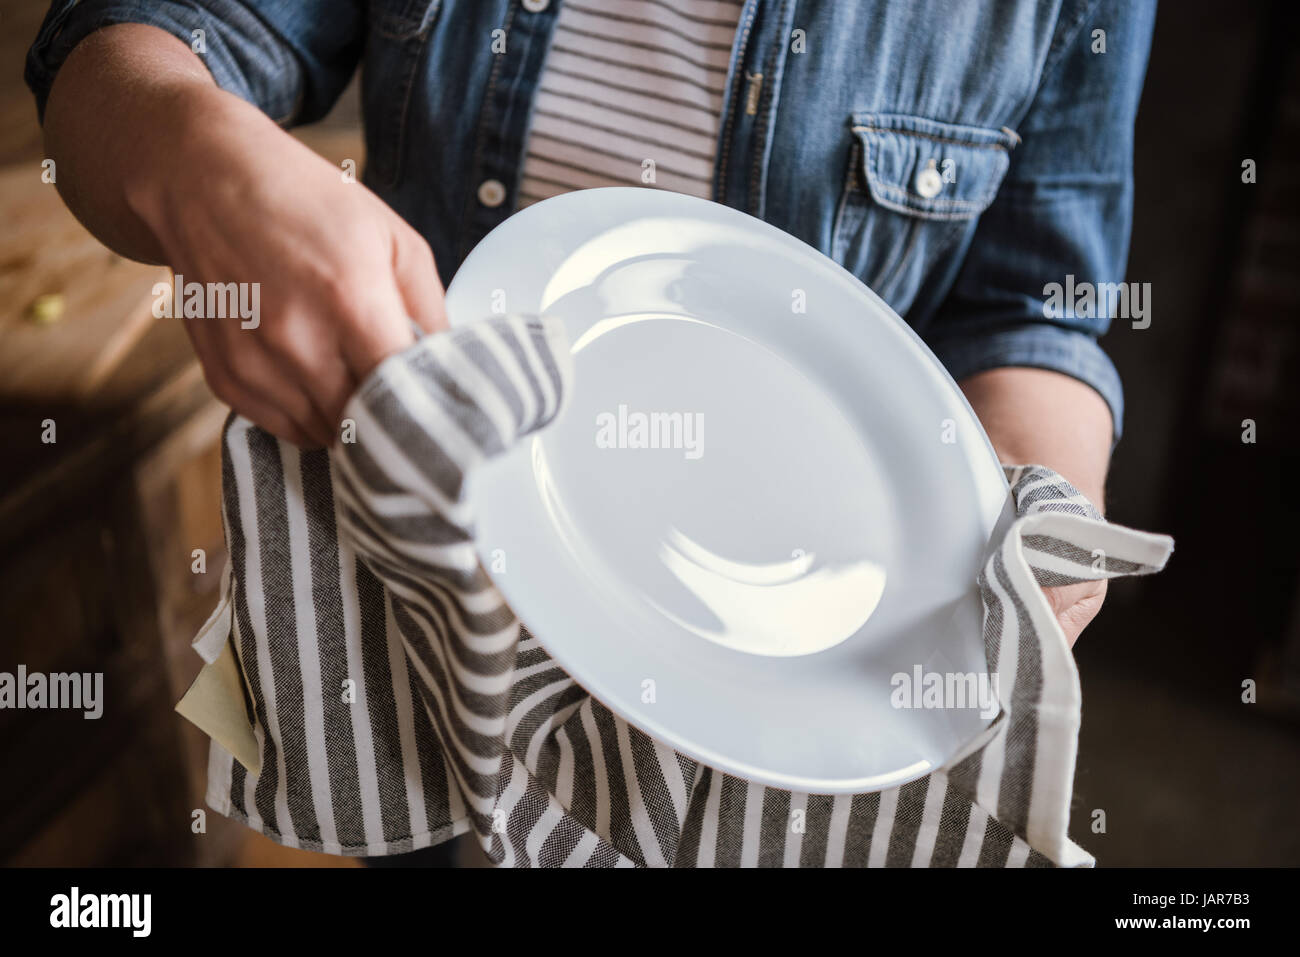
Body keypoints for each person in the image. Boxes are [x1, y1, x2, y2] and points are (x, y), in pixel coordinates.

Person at [27, 0, 1154, 648]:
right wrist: (199, 164)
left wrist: (1037, 502)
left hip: (788, 661)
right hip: (412, 607)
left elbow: (1028, 311)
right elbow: (121, 53)